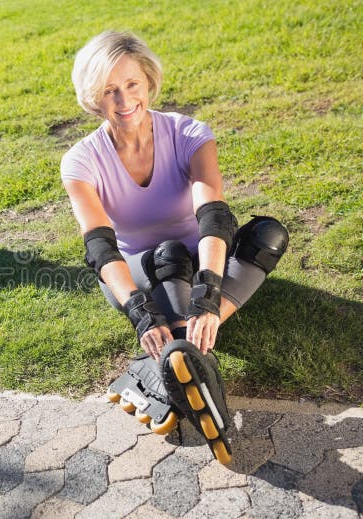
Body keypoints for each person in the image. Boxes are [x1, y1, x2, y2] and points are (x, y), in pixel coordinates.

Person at [61, 30, 288, 463]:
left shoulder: (189, 132)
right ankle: (193, 367)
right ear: (93, 97)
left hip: (198, 257)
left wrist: (208, 294)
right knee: (168, 253)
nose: (124, 100)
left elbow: (214, 217)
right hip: (137, 273)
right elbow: (100, 249)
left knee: (267, 236)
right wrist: (140, 314)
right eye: (110, 90)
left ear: (148, 81)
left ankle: (169, 360)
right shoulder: (80, 161)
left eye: (131, 84)